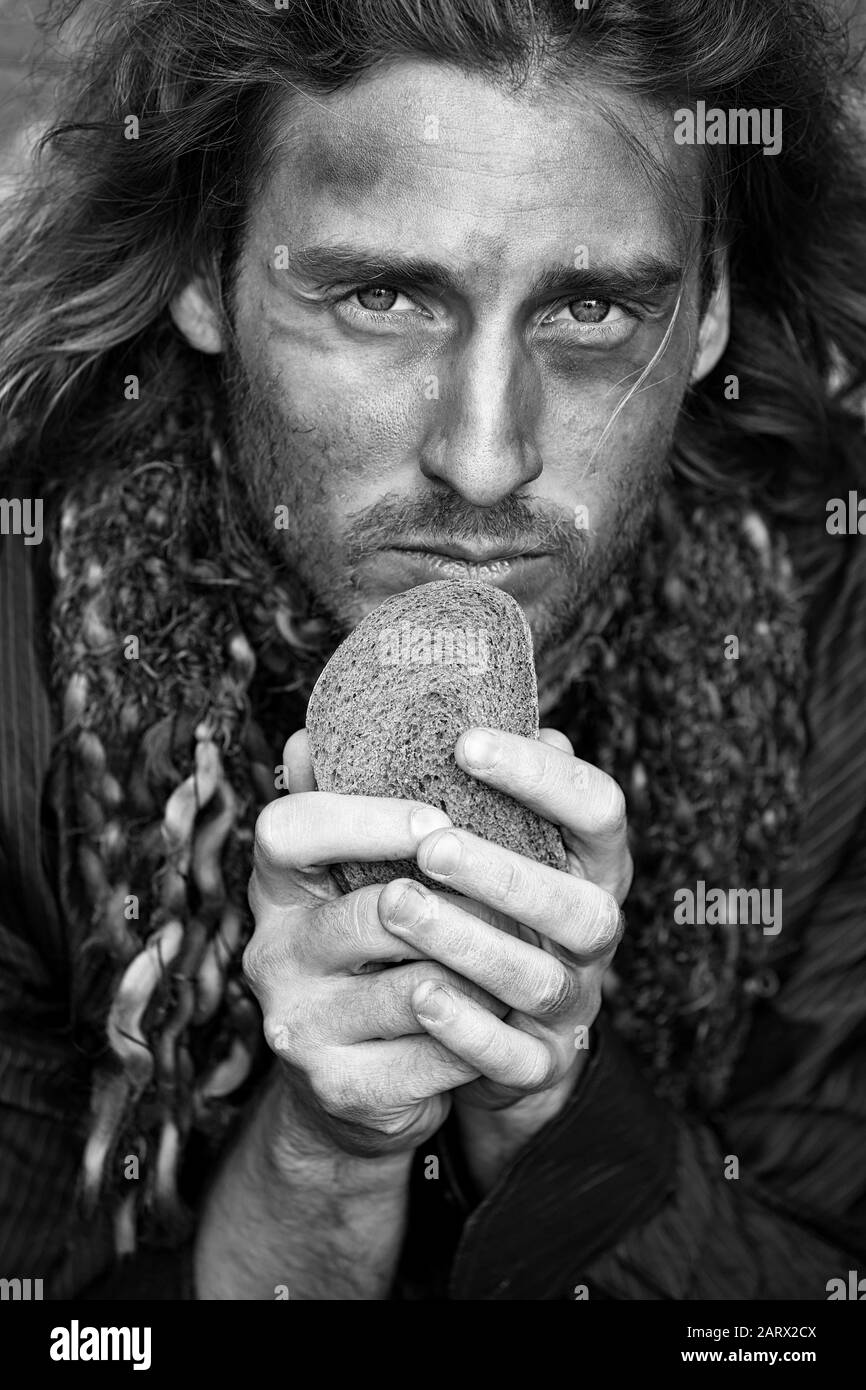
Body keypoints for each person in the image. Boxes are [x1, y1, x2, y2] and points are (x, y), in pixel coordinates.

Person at [1, 0, 865, 1301]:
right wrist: (325, 1150)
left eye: (588, 310)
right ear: (200, 271)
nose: (480, 458)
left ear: (706, 312)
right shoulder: (21, 681)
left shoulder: (830, 635)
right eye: (380, 294)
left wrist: (551, 1106)